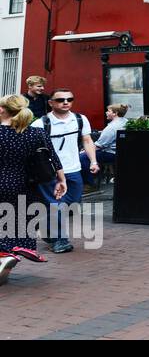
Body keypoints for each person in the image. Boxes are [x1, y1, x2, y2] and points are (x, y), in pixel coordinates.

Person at [1, 94, 66, 281]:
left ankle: (6, 254)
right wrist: (61, 181)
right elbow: (52, 158)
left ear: (2, 109)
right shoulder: (36, 133)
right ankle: (15, 250)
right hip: (26, 185)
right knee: (19, 220)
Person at [32, 88, 95, 253]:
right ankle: (60, 240)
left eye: (69, 99)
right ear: (51, 103)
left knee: (72, 203)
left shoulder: (80, 119)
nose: (66, 102)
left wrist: (93, 161)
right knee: (56, 205)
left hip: (73, 169)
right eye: (60, 100)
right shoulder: (41, 123)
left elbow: (87, 140)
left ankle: (46, 225)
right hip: (50, 172)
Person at [83, 103, 128, 190]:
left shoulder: (111, 127)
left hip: (111, 154)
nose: (106, 112)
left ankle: (89, 185)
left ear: (115, 113)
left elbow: (99, 145)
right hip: (120, 152)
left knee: (83, 157)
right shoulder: (125, 121)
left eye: (109, 111)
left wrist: (85, 150)